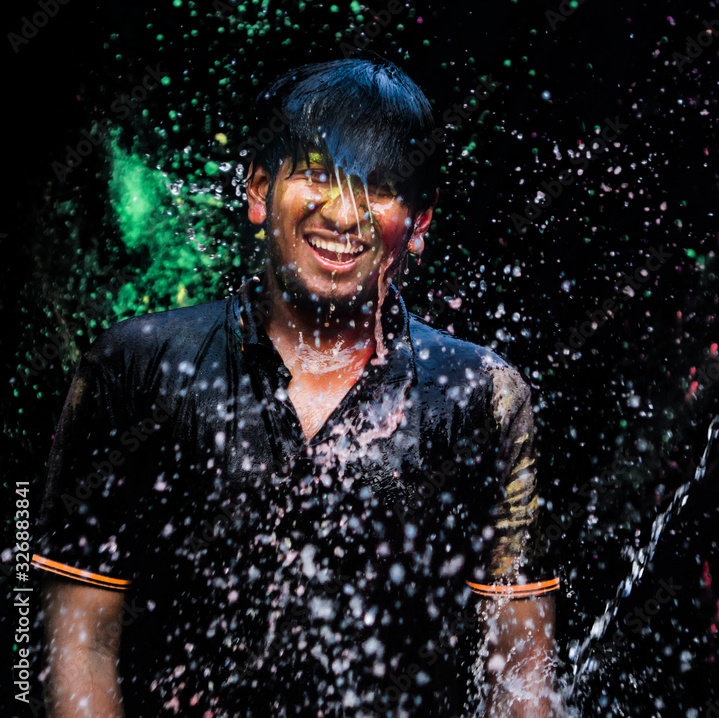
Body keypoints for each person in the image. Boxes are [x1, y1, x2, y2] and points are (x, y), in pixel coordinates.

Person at [33, 57, 560, 717]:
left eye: (382, 187)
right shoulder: (136, 369)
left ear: (419, 224)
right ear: (259, 190)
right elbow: (77, 644)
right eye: (316, 174)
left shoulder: (481, 396)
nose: (345, 213)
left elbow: (519, 678)